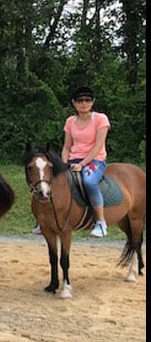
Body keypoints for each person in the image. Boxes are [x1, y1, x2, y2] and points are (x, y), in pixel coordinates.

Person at [61, 86, 110, 238]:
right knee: (53, 180)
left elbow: (98, 146)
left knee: (89, 181)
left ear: (93, 102)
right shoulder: (70, 121)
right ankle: (44, 220)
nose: (84, 103)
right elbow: (66, 147)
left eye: (88, 100)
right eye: (80, 100)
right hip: (73, 159)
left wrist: (82, 164)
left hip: (95, 160)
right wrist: (64, 164)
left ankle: (101, 222)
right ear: (74, 103)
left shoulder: (100, 119)